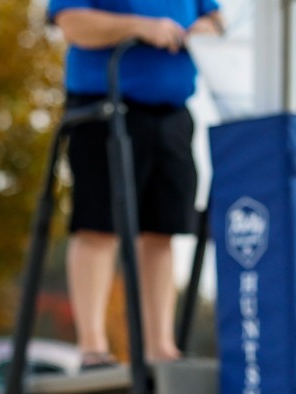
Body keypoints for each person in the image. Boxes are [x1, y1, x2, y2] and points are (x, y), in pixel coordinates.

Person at [51, 0, 225, 367]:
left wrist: (205, 31)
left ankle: (160, 347)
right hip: (102, 107)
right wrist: (140, 27)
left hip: (172, 114)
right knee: (98, 227)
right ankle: (93, 348)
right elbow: (72, 23)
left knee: (162, 231)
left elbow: (215, 18)